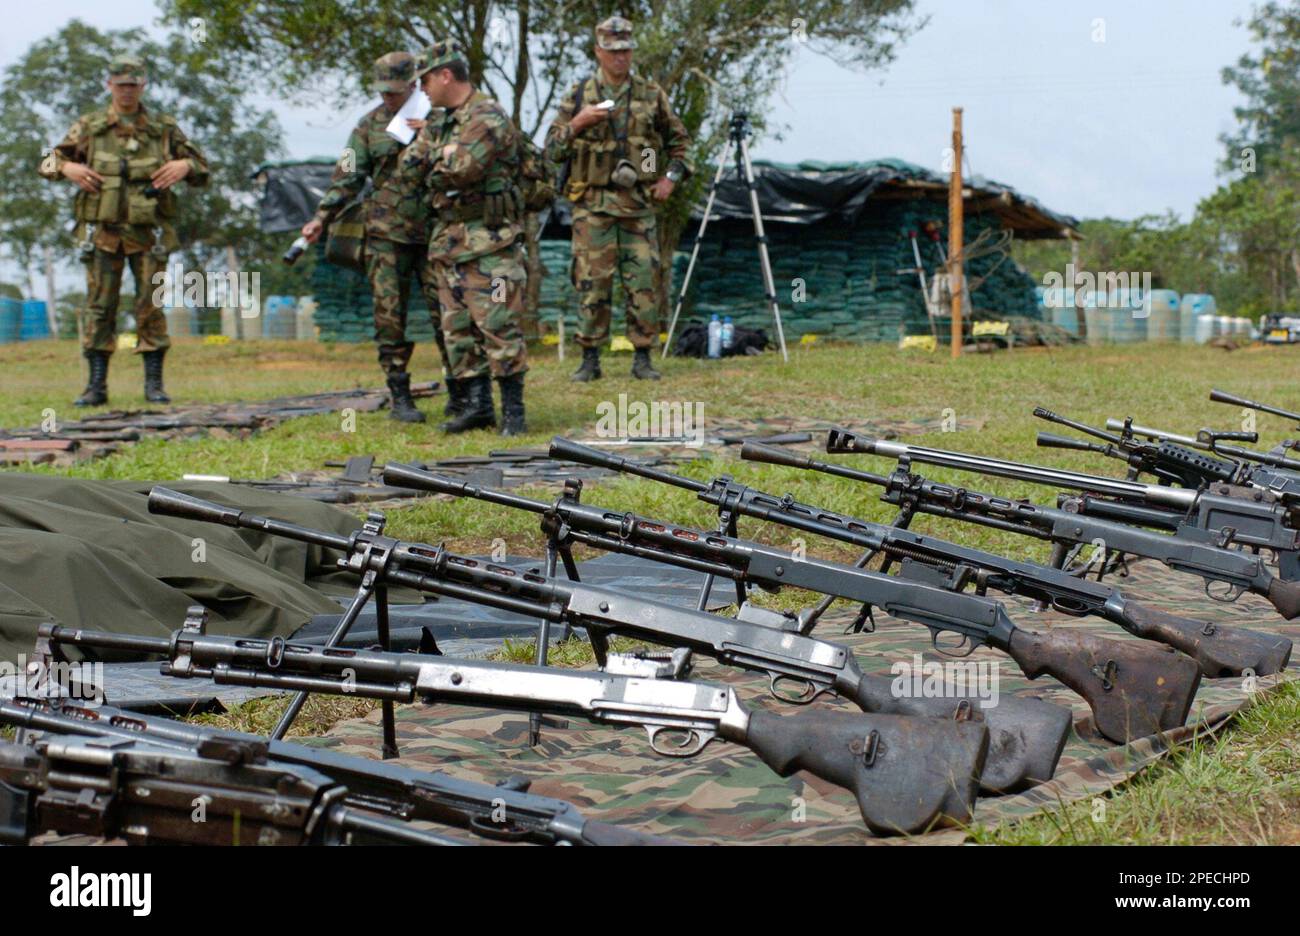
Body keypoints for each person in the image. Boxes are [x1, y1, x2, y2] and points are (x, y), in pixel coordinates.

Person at [39, 55, 209, 406]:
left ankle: (154, 386)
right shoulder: (90, 126)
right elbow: (46, 162)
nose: (127, 92)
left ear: (142, 86)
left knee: (151, 306)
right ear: (109, 85)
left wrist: (184, 164)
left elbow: (202, 169)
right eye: (120, 85)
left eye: (133, 85)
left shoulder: (163, 128)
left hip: (150, 236)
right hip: (102, 234)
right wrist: (68, 167)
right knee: (100, 307)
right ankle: (96, 387)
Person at [300, 51, 456, 423]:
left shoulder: (438, 119)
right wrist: (321, 216)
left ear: (414, 85)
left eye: (396, 91)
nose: (388, 97)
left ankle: (461, 392)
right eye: (383, 91)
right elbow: (347, 177)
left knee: (449, 314)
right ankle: (400, 394)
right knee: (389, 316)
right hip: (385, 235)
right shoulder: (367, 126)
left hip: (436, 231)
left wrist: (430, 138)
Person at [545, 15, 692, 383]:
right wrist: (578, 123)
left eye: (625, 50)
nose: (620, 58)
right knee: (592, 282)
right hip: (592, 206)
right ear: (598, 51)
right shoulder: (579, 95)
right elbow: (551, 149)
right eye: (612, 51)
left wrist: (669, 179)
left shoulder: (650, 94)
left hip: (638, 206)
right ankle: (589, 357)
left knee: (643, 280)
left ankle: (643, 356)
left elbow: (680, 144)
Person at [403, 40, 529, 435]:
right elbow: (407, 168)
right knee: (457, 330)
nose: (421, 89)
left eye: (424, 80)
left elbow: (462, 168)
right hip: (450, 243)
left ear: (445, 75)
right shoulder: (442, 121)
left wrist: (432, 155)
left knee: (498, 324)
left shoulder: (486, 114)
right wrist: (436, 153)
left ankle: (514, 412)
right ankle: (477, 407)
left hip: (491, 243)